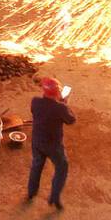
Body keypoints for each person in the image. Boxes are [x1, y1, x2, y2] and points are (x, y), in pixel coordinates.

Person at [28, 77, 76, 210]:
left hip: (37, 141)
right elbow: (71, 120)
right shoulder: (60, 108)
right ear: (57, 93)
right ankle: (54, 198)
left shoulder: (35, 102)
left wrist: (59, 105)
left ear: (43, 90)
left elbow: (39, 112)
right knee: (62, 167)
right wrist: (64, 104)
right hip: (53, 146)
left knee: (37, 165)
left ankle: (31, 192)